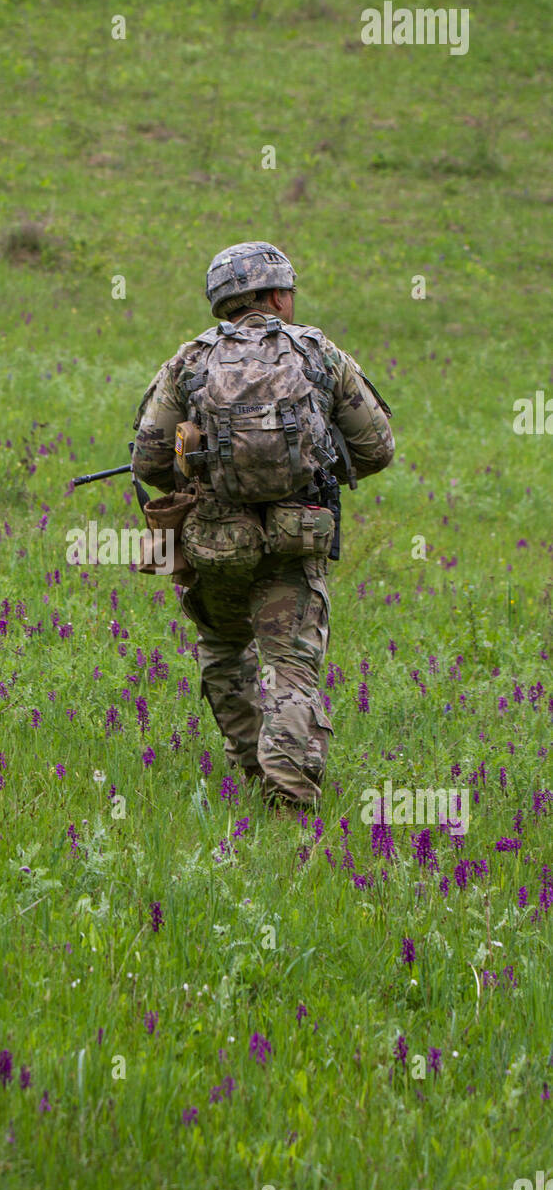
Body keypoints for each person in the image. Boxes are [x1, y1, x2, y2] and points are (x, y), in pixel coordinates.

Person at [131, 241, 395, 811]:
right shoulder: (320, 354)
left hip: (216, 542)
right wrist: (319, 458)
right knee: (290, 667)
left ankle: (251, 771)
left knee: (224, 652)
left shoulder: (189, 362)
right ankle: (290, 795)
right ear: (278, 295)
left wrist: (201, 470)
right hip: (296, 537)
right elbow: (377, 448)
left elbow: (148, 461)